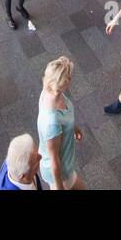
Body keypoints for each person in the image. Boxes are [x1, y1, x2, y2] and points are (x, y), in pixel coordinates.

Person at [37, 56, 84, 190]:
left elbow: (65, 114)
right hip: (61, 173)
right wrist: (59, 187)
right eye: (67, 77)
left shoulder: (49, 91)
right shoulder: (52, 122)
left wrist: (74, 128)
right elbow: (54, 161)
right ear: (58, 82)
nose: (70, 79)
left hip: (63, 164)